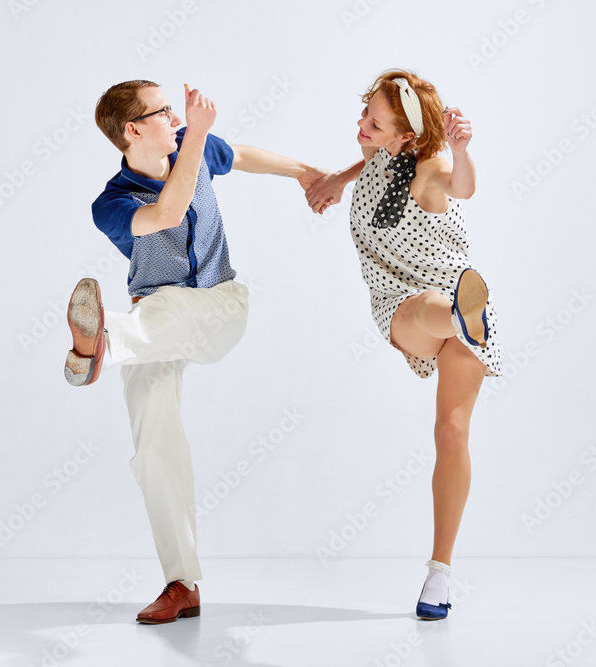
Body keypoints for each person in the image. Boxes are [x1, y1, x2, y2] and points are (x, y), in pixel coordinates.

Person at [66, 79, 324, 624]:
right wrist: (199, 135)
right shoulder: (110, 203)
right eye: (164, 112)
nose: (178, 119)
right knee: (153, 448)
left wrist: (304, 172)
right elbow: (166, 213)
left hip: (217, 307)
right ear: (133, 131)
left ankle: (101, 343)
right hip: (153, 321)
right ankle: (181, 584)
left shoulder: (193, 145)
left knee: (164, 312)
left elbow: (242, 155)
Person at [305, 69, 503, 620]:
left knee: (452, 431)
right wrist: (340, 178)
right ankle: (458, 314)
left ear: (407, 135)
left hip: (449, 295)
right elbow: (374, 162)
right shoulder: (379, 152)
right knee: (422, 310)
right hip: (414, 297)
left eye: (374, 122)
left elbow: (461, 186)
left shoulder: (431, 166)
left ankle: (439, 575)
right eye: (364, 113)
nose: (361, 126)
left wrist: (461, 150)